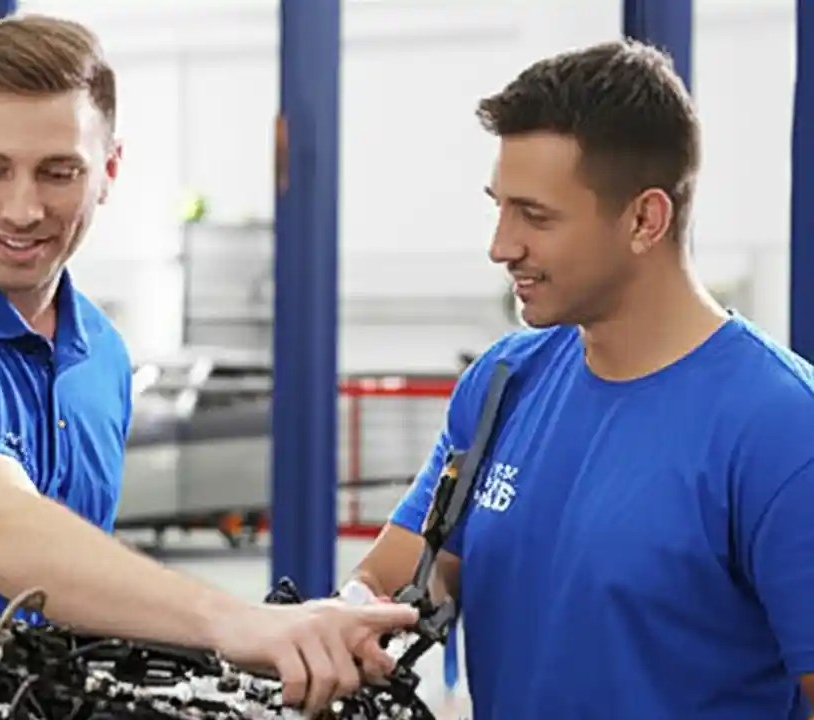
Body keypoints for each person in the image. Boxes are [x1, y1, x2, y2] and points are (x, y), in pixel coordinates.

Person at [0, 13, 419, 718]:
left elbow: (70, 592)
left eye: (58, 173)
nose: (22, 209)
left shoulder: (102, 354)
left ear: (108, 171)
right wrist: (236, 624)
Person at [343, 39, 814, 719]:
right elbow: (401, 576)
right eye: (498, 207)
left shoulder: (782, 430)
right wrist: (339, 623)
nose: (501, 246)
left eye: (535, 216)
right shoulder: (504, 384)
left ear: (645, 220)